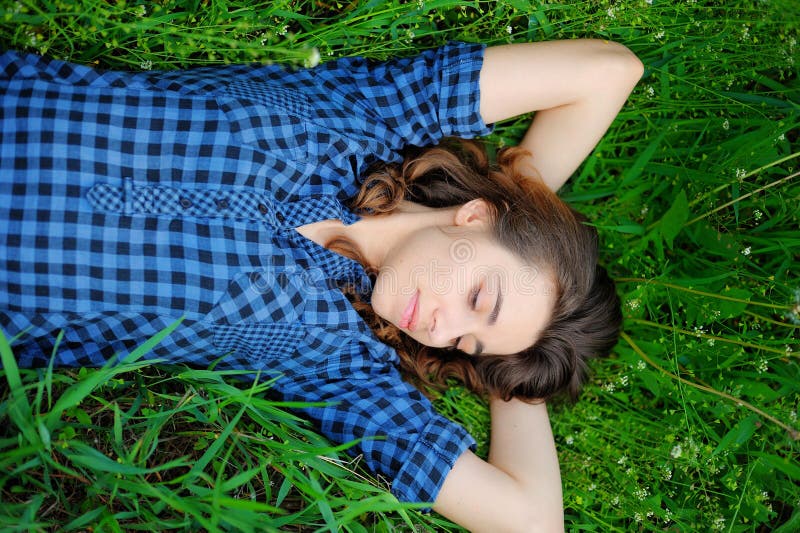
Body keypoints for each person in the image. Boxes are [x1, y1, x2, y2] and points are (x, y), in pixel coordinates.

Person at [0, 38, 643, 531]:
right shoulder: (371, 113)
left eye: (469, 345)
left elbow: (533, 522)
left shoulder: (339, 360)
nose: (443, 329)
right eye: (478, 297)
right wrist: (523, 204)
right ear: (475, 216)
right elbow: (610, 71)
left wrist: (512, 370)